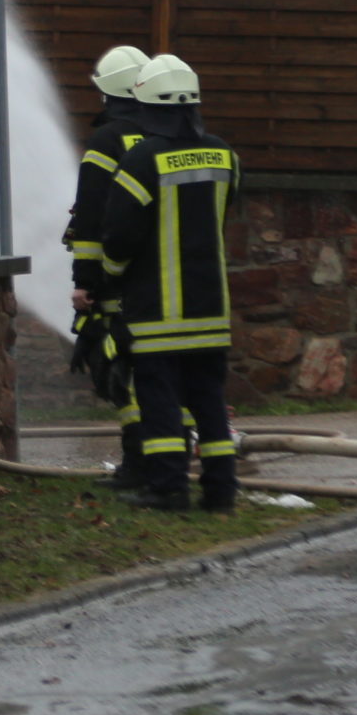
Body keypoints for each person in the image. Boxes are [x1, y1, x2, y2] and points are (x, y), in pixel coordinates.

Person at [98, 53, 241, 514]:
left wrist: (110, 282)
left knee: (159, 402)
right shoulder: (225, 155)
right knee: (209, 402)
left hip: (158, 311)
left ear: (146, 106)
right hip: (211, 310)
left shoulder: (141, 160)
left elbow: (119, 236)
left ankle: (168, 488)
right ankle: (221, 492)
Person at [67, 44, 151, 488]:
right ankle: (164, 461)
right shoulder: (164, 137)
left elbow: (92, 215)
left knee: (121, 374)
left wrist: (86, 283)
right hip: (161, 281)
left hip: (115, 285)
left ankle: (138, 466)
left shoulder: (108, 140)